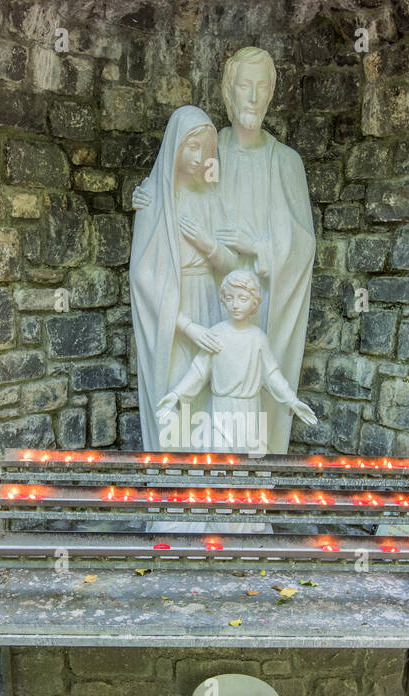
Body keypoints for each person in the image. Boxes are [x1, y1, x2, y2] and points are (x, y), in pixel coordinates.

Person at [135, 47, 315, 454]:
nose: (253, 96)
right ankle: (199, 490)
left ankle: (244, 496)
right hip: (204, 299)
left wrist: (262, 247)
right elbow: (178, 186)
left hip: (265, 300)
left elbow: (304, 247)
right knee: (201, 394)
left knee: (251, 400)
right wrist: (150, 195)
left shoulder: (286, 162)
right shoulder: (211, 153)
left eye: (262, 87)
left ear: (272, 94)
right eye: (244, 86)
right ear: (228, 91)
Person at [129, 105, 237, 452]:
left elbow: (231, 265)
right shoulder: (153, 199)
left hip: (209, 300)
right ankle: (176, 488)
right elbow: (144, 278)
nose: (199, 156)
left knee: (208, 397)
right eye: (192, 146)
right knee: (177, 397)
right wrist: (187, 326)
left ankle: (206, 486)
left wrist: (209, 246)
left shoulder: (210, 198)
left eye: (206, 150)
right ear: (175, 145)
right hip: (174, 315)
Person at [157, 269, 316, 456]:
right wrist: (176, 395)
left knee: (249, 465)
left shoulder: (257, 338)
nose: (235, 305)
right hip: (220, 412)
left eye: (243, 298)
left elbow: (272, 375)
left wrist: (292, 401)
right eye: (230, 298)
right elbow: (198, 373)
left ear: (254, 302)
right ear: (223, 299)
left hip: (249, 413)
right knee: (220, 461)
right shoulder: (216, 335)